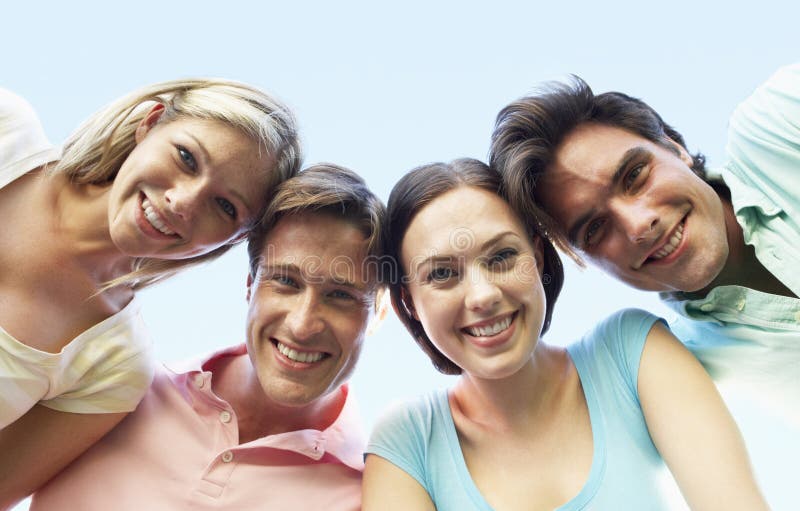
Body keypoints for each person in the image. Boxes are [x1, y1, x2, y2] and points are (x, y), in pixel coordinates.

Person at [362, 159, 767, 510]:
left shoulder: (633, 354)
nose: (483, 296)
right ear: (410, 302)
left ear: (538, 256)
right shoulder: (410, 440)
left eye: (502, 256)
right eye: (442, 274)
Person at [489, 64, 799, 505]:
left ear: (674, 146)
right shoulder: (696, 379)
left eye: (635, 176)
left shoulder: (778, 125)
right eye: (595, 229)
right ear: (586, 260)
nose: (639, 225)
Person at [0, 82, 300, 507]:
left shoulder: (115, 366)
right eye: (186, 157)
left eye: (225, 206)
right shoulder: (7, 129)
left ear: (233, 239)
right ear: (151, 122)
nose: (182, 202)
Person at [31, 163, 387, 510]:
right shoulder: (116, 390)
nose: (302, 325)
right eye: (285, 281)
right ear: (250, 284)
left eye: (341, 295)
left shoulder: (365, 498)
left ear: (380, 312)